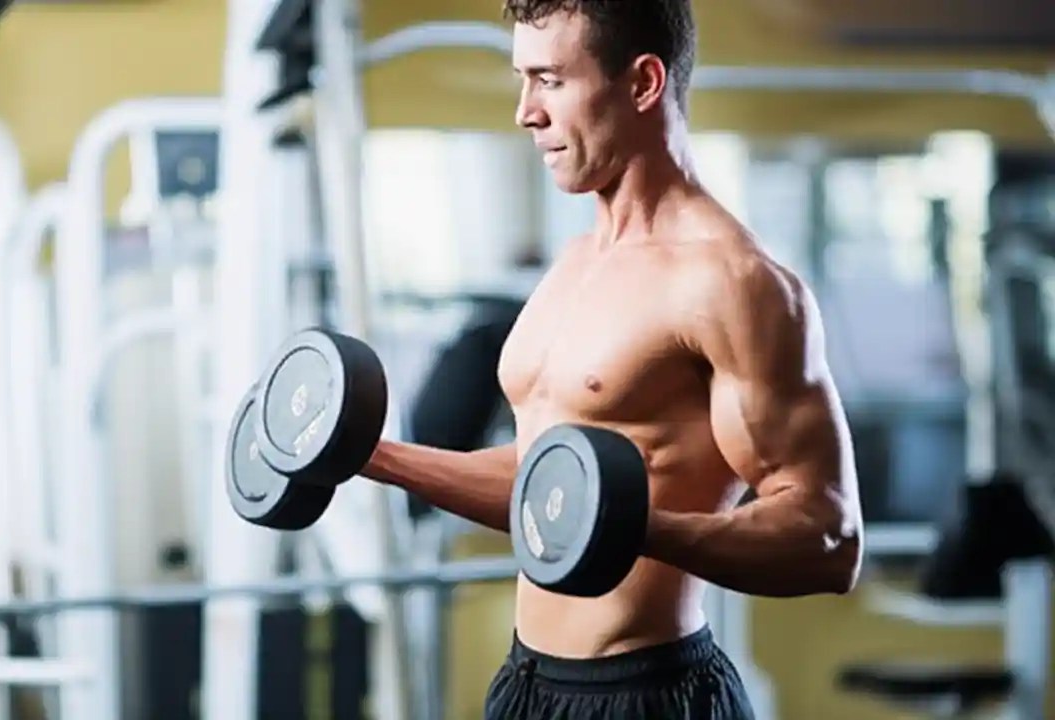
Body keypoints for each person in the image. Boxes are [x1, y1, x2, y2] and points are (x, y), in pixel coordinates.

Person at [361, 0, 865, 718]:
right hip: (527, 684)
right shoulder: (575, 264)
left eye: (550, 80)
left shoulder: (731, 282)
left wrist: (631, 526)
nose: (525, 112)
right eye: (522, 80)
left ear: (643, 84)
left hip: (646, 692)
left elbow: (827, 539)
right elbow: (549, 478)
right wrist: (375, 457)